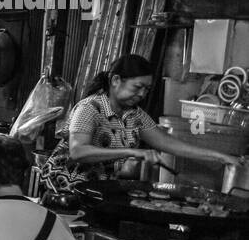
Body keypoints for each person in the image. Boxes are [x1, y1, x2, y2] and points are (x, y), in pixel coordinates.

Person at [44, 53, 238, 187]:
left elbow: (169, 143)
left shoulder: (134, 115)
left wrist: (220, 156)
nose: (142, 94)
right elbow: (78, 151)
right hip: (64, 190)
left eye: (146, 89)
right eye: (137, 87)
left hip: (98, 191)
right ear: (115, 80)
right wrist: (131, 151)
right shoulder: (90, 108)